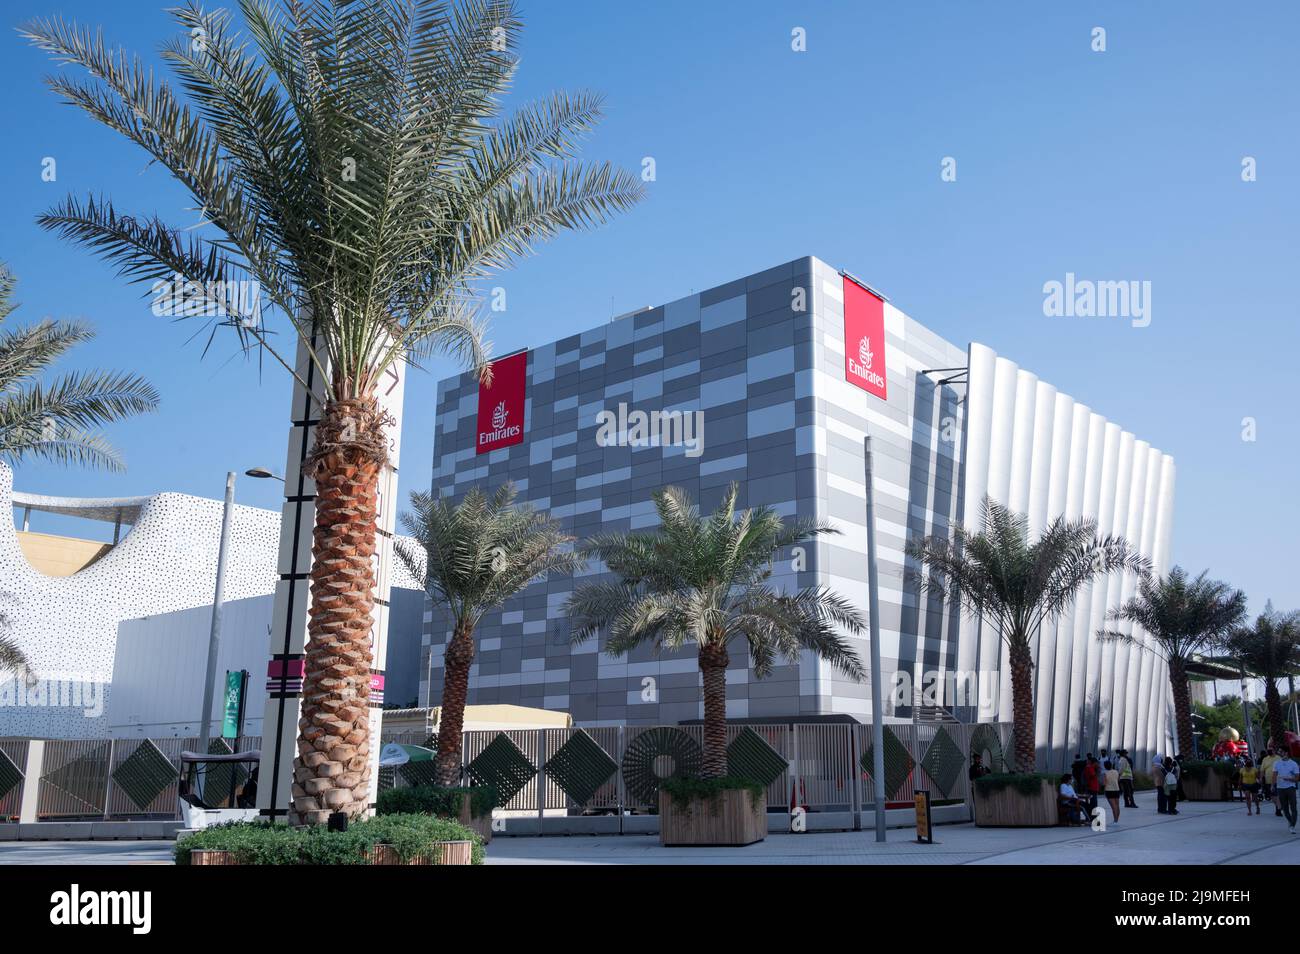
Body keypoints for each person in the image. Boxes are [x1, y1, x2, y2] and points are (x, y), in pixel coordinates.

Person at [1275, 749, 1300, 834]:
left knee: (1293, 807)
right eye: (1279, 752)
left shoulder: (1293, 764)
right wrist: (1272, 785)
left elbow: (1297, 778)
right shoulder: (1277, 763)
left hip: (1290, 787)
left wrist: (1289, 778)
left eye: (1281, 752)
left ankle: (1292, 825)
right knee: (1284, 808)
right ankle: (1290, 821)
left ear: (1286, 753)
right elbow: (1274, 775)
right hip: (1280, 788)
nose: (1280, 753)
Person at [1260, 748, 1280, 816]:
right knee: (1272, 796)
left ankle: (1278, 809)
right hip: (1268, 780)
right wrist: (1261, 778)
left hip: (1277, 780)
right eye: (1268, 750)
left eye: (1271, 750)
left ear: (1274, 751)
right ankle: (1278, 806)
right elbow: (1262, 770)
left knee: (1276, 795)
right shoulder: (1265, 759)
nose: (1269, 751)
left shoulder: (1279, 758)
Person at [1103, 759, 1121, 824]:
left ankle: (1115, 821)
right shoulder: (1116, 772)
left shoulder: (1105, 773)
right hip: (1116, 789)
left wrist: (1104, 791)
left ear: (1105, 766)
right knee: (1117, 805)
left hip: (1109, 790)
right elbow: (1118, 780)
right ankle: (1116, 820)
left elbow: (1104, 783)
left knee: (1113, 807)